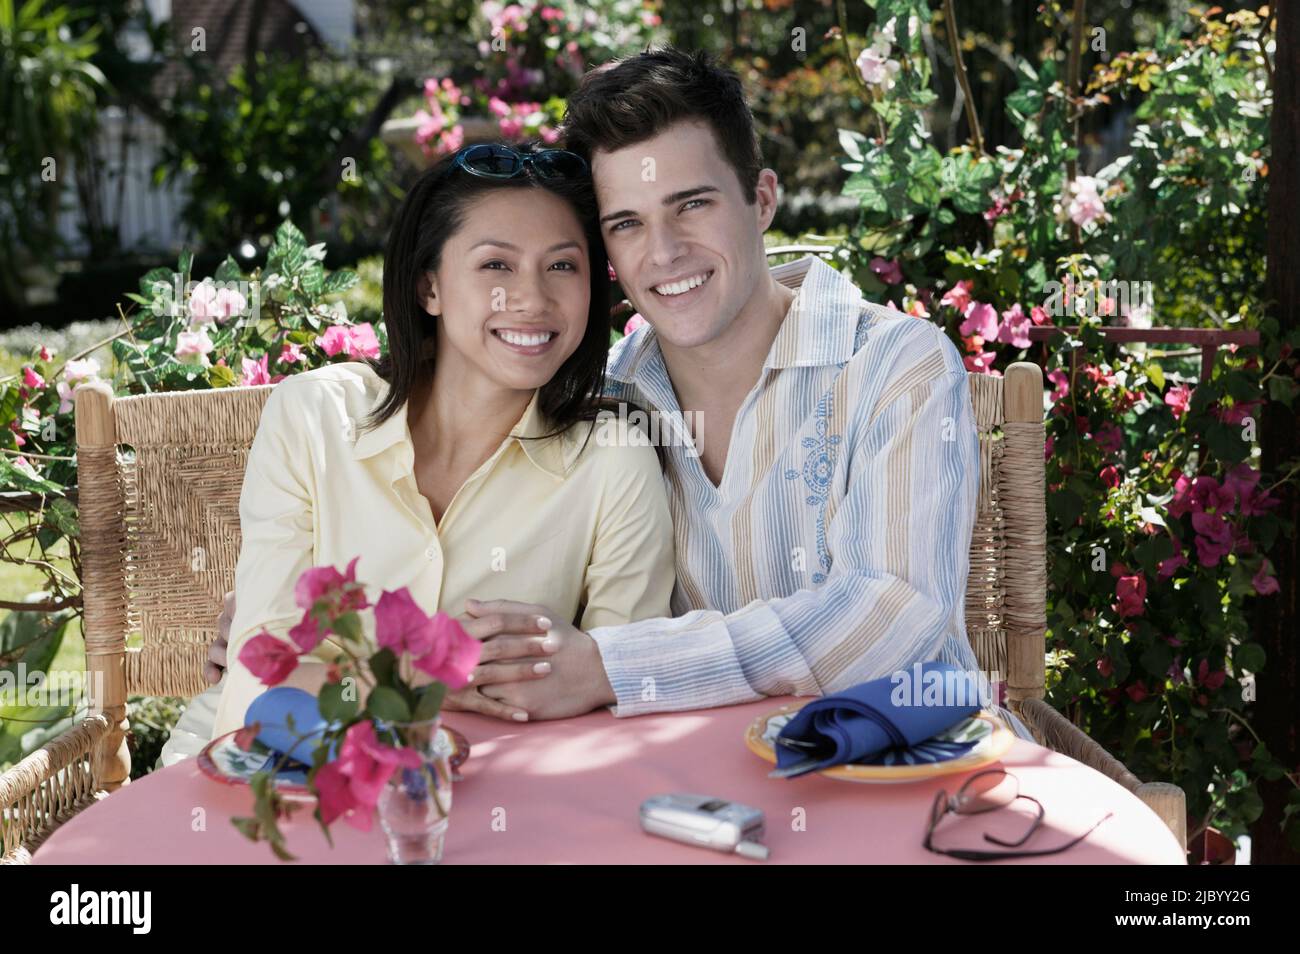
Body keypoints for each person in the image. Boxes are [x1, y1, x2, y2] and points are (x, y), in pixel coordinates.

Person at [196, 47, 1035, 743]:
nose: (663, 253)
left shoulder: (894, 365)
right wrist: (293, 633)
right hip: (700, 789)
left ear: (763, 198)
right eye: (625, 223)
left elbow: (891, 620)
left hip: (914, 769)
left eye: (693, 205)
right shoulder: (605, 402)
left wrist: (612, 666)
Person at [160, 141, 675, 763]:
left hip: (488, 798)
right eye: (495, 266)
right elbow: (258, 681)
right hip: (257, 773)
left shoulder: (615, 461)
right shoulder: (313, 419)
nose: (533, 298)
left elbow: (625, 699)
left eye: (562, 266)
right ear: (429, 286)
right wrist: (427, 680)